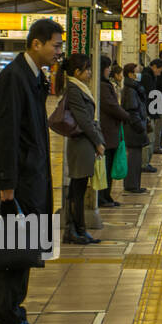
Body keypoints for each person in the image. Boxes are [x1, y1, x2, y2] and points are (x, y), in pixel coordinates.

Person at [0, 18, 63, 324]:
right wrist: (6, 185)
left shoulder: (32, 76)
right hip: (17, 185)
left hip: (30, 179)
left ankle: (14, 313)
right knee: (12, 250)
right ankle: (7, 318)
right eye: (56, 45)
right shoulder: (14, 78)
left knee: (23, 248)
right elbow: (6, 134)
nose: (59, 52)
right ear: (36, 44)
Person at [59, 54, 106, 244]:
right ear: (77, 72)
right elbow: (84, 120)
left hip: (83, 143)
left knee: (77, 189)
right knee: (77, 190)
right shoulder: (74, 89)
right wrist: (98, 142)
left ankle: (76, 230)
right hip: (81, 144)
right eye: (87, 69)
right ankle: (77, 230)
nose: (89, 73)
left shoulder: (77, 87)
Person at [96, 57, 129, 208]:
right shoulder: (102, 86)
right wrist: (126, 116)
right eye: (108, 67)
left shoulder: (104, 84)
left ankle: (106, 196)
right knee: (106, 166)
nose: (109, 70)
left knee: (108, 167)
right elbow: (111, 106)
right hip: (107, 132)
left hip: (109, 131)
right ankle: (102, 198)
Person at [121, 63, 150, 194]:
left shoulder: (133, 88)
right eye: (137, 72)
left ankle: (134, 184)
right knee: (134, 158)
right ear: (130, 74)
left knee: (135, 158)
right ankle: (132, 185)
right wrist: (140, 127)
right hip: (134, 129)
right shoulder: (131, 90)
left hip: (134, 128)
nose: (139, 74)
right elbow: (132, 111)